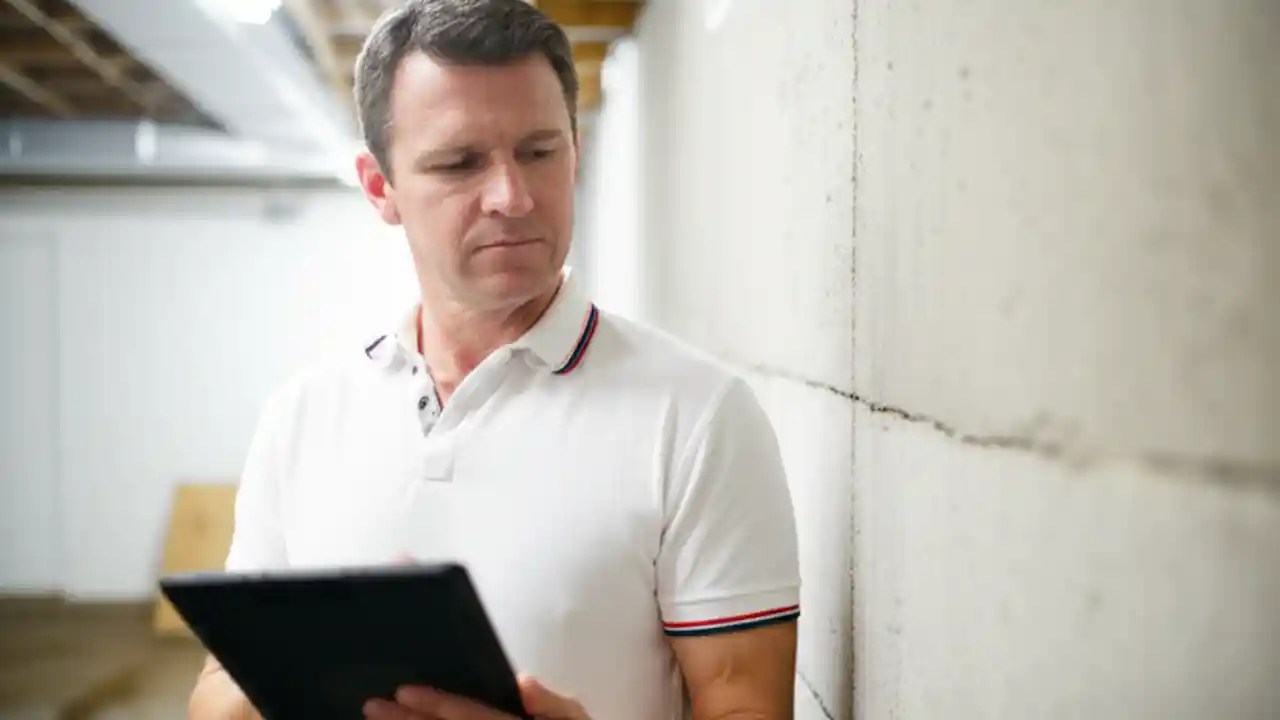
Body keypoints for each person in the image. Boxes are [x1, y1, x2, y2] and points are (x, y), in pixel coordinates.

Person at [187, 1, 800, 718]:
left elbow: (746, 705)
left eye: (540, 152)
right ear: (380, 187)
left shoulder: (697, 418)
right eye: (459, 163)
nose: (511, 197)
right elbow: (215, 689)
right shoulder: (303, 418)